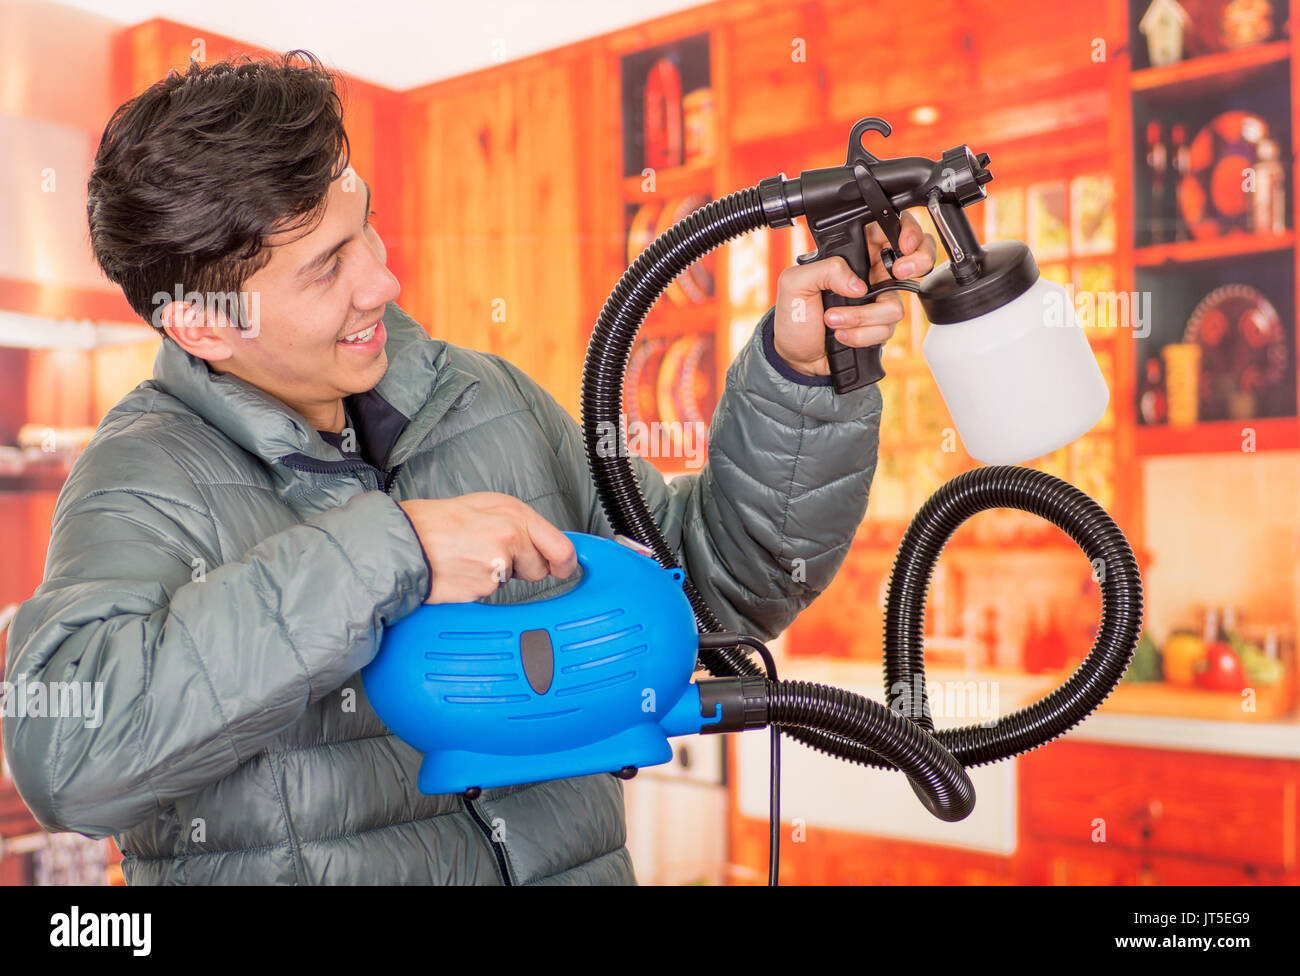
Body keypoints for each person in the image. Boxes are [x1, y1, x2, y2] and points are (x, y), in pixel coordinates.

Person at [1, 50, 935, 884]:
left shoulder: (489, 399)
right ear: (203, 323)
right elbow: (69, 759)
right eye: (326, 268)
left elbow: (718, 591)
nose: (382, 280)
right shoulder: (141, 481)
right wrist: (386, 552)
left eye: (363, 228)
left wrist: (798, 379)